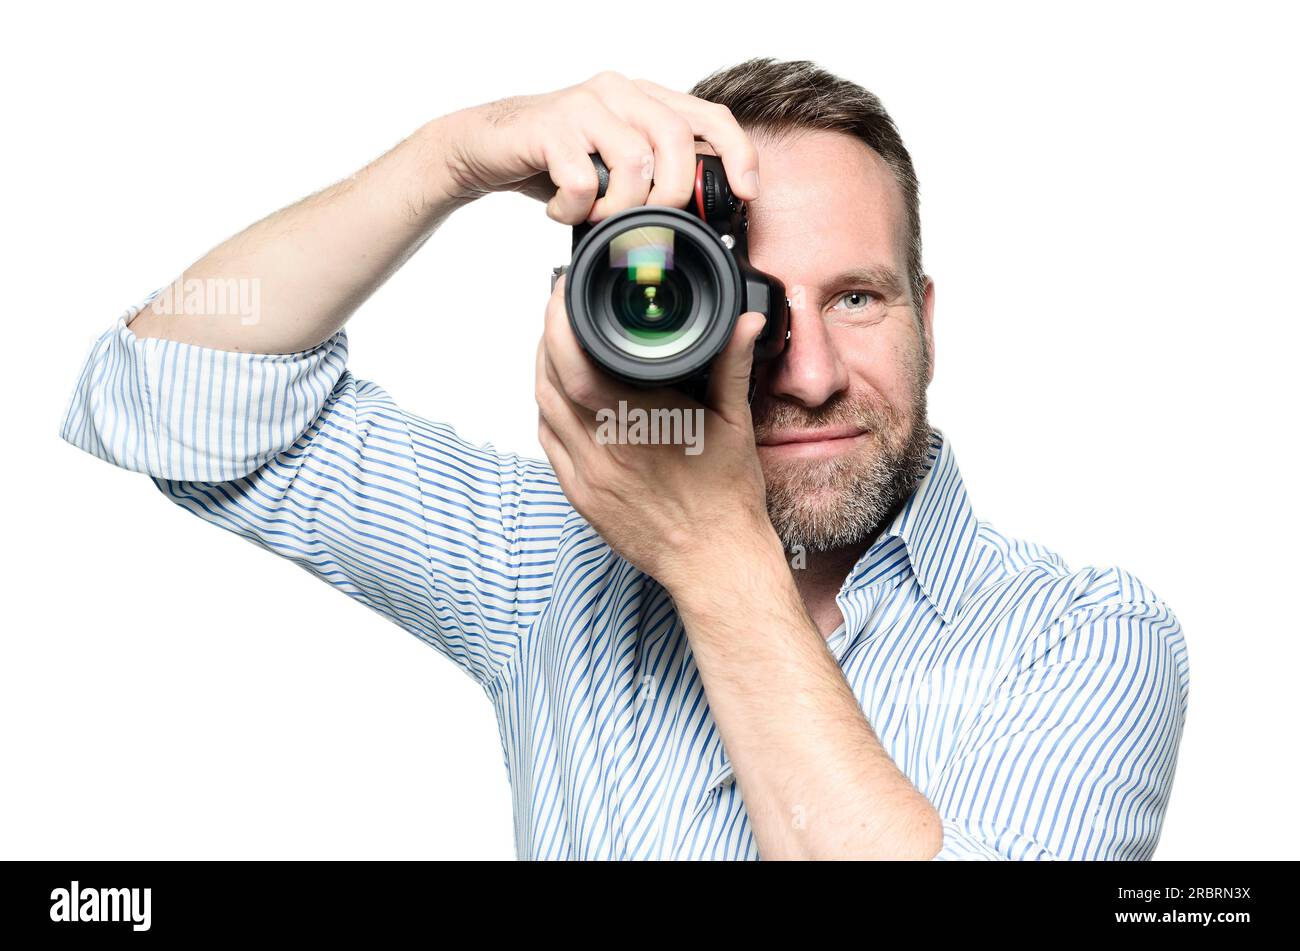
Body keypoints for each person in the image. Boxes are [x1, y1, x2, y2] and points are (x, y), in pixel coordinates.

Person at [60, 58, 1189, 860]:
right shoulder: (547, 559)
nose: (804, 373)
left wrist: (713, 556)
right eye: (750, 305)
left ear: (926, 318)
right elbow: (165, 392)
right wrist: (448, 157)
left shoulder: (1080, 636)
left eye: (855, 297)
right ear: (651, 318)